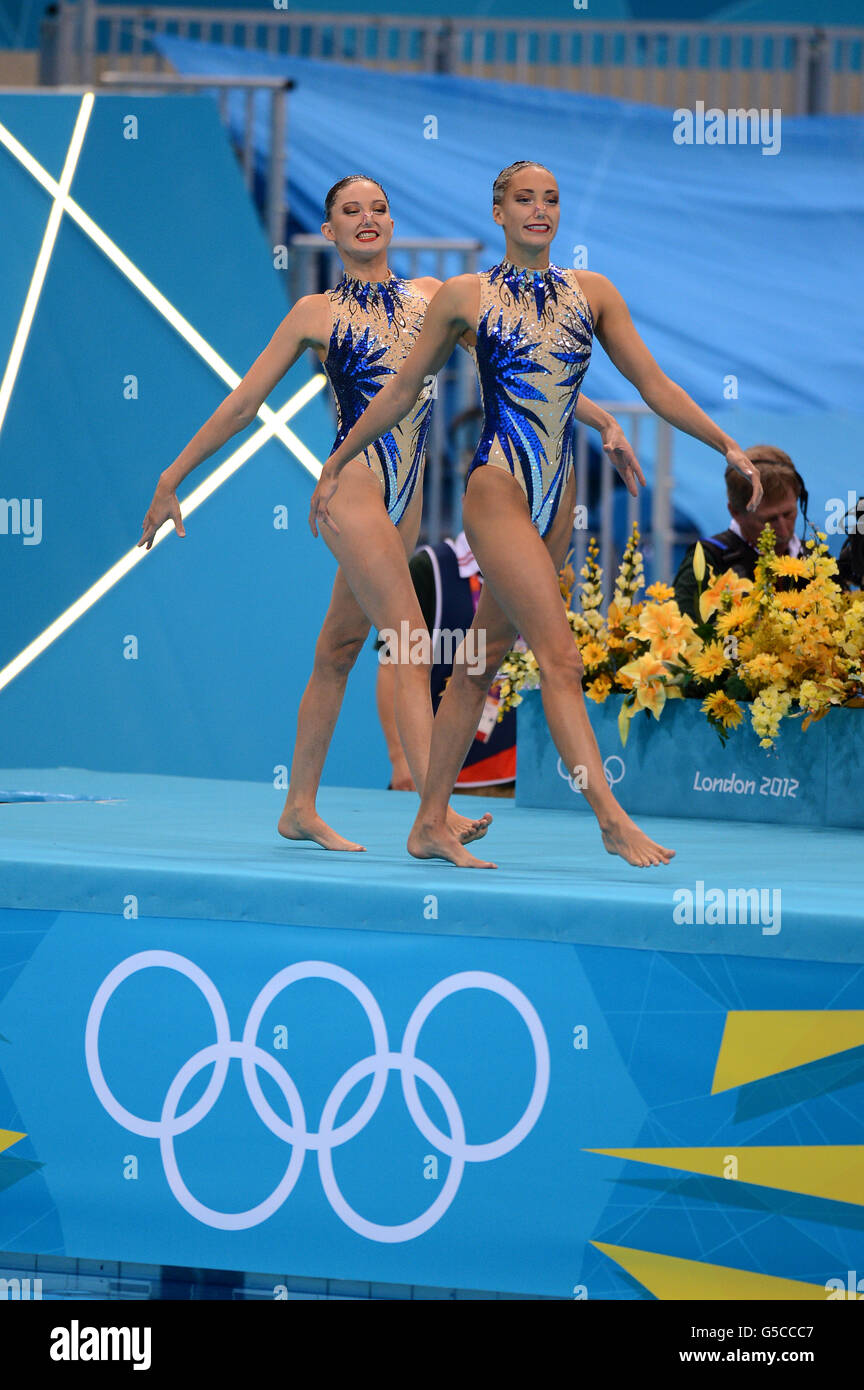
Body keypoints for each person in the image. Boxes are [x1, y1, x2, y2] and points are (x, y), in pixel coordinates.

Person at [139, 173, 634, 853]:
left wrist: (603, 417)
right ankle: (437, 810)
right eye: (350, 211)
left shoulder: (431, 299)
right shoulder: (313, 313)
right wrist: (173, 476)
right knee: (409, 635)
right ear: (330, 230)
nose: (366, 219)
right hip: (353, 490)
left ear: (392, 225)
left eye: (378, 209)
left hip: (406, 498)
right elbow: (243, 403)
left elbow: (518, 374)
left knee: (338, 649)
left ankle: (299, 806)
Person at [309, 160, 763, 869]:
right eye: (524, 199)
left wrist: (725, 443)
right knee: (559, 657)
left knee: (478, 666)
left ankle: (429, 823)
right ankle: (611, 820)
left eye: (551, 199)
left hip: (560, 494)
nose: (539, 210)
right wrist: (339, 462)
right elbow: (398, 393)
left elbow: (655, 384)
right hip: (499, 490)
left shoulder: (594, 293)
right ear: (498, 212)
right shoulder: (465, 296)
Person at [376, 531, 517, 794]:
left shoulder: (528, 574)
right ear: (466, 502)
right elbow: (390, 668)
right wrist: (400, 758)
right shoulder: (428, 569)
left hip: (519, 781)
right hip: (439, 782)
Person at [673, 446, 806, 622]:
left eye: (788, 514)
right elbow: (681, 635)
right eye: (769, 520)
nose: (783, 530)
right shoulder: (709, 561)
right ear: (735, 512)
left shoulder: (814, 560)